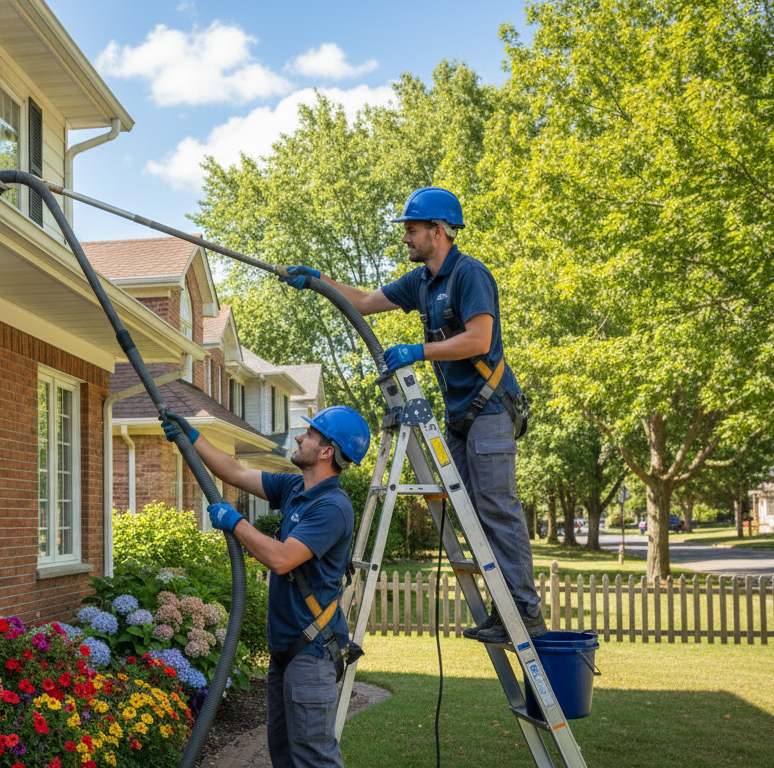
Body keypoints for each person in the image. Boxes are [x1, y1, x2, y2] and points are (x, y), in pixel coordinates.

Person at [278, 186, 544, 644]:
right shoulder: (420, 282)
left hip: (491, 408)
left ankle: (526, 611)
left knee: (497, 508)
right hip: (460, 415)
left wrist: (418, 351)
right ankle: (506, 611)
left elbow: (480, 339)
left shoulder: (469, 275)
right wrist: (319, 282)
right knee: (476, 515)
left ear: (438, 231)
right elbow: (363, 301)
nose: (405, 238)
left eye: (412, 229)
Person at [160, 405, 371, 768]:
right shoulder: (295, 487)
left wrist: (235, 522)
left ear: (326, 451)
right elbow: (236, 471)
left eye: (309, 434)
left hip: (311, 653)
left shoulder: (332, 507)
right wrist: (192, 438)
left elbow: (282, 558)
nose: (299, 437)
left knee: (313, 759)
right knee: (285, 756)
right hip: (286, 652)